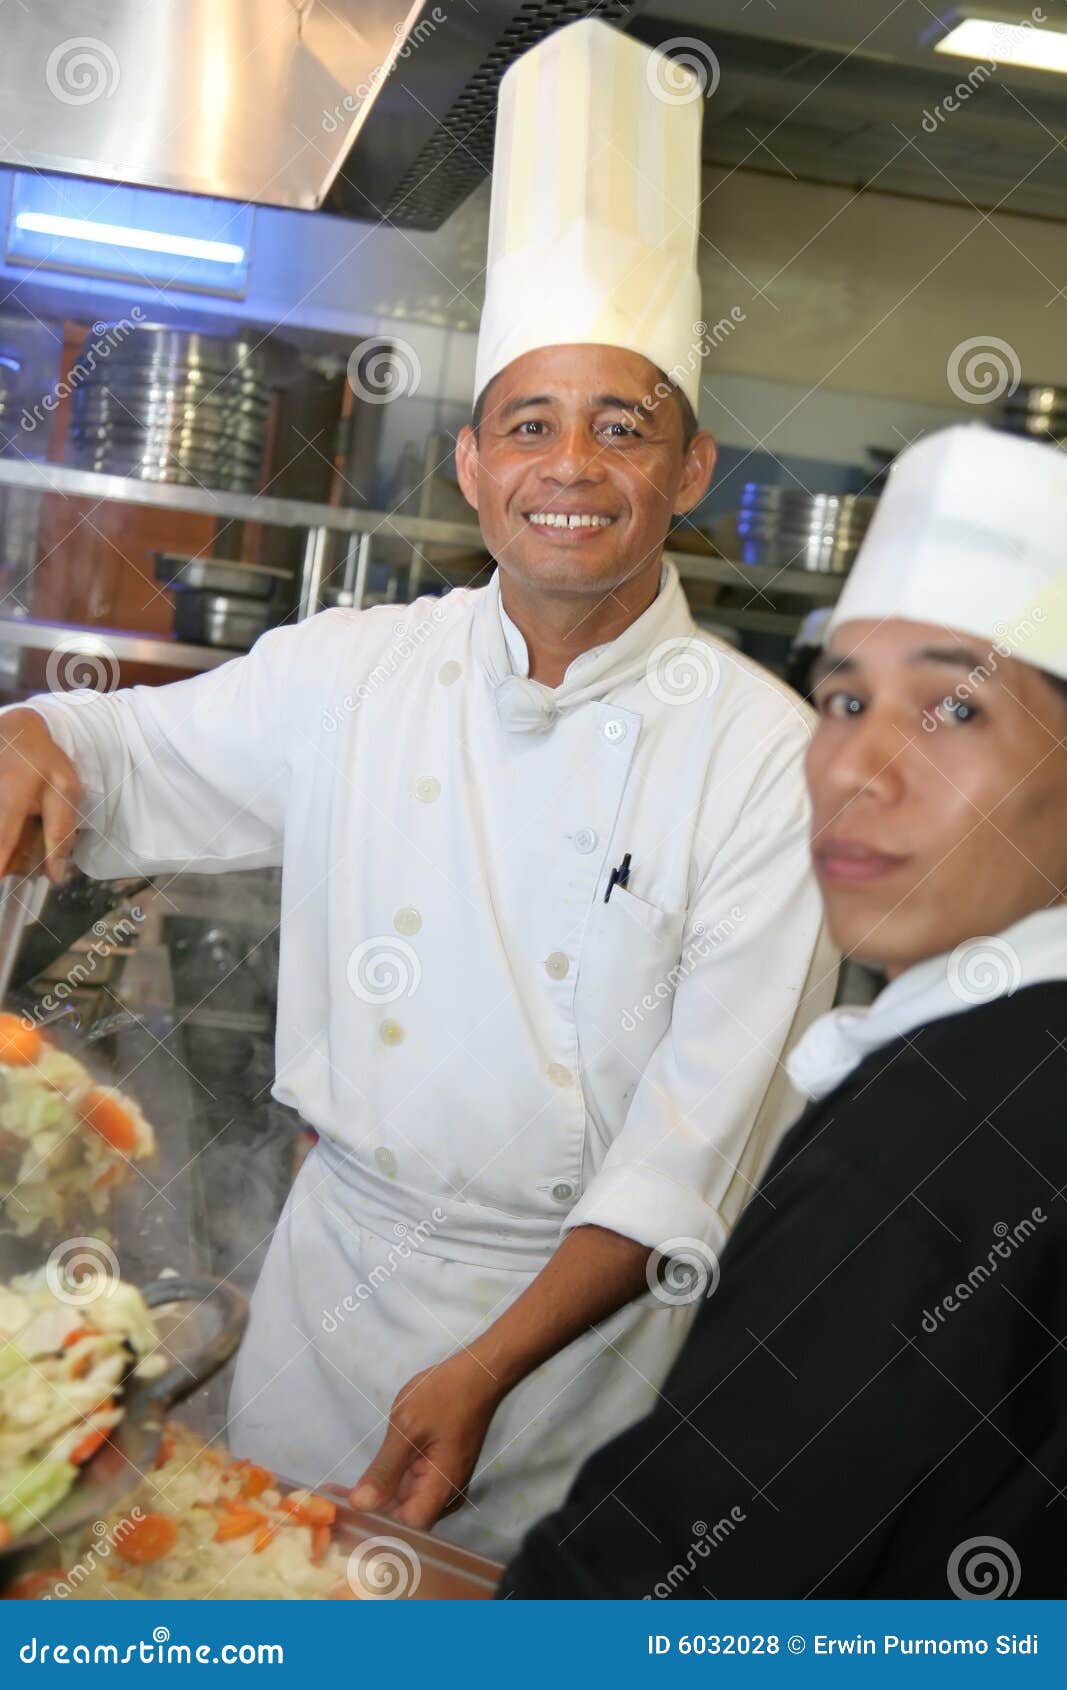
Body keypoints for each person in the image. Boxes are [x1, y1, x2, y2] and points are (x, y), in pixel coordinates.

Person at [0, 20, 834, 1563]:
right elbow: (126, 760)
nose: (568, 464)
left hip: (587, 1349)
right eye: (529, 421)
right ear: (468, 464)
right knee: (257, 1595)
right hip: (330, 1287)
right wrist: (34, 734)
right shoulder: (355, 671)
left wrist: (484, 1369)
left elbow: (685, 1154)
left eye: (619, 424)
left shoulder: (768, 758)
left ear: (690, 466)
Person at [500, 423, 1067, 1597]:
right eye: (843, 699)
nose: (858, 767)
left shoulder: (937, 1138)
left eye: (955, 709)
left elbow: (675, 1595)